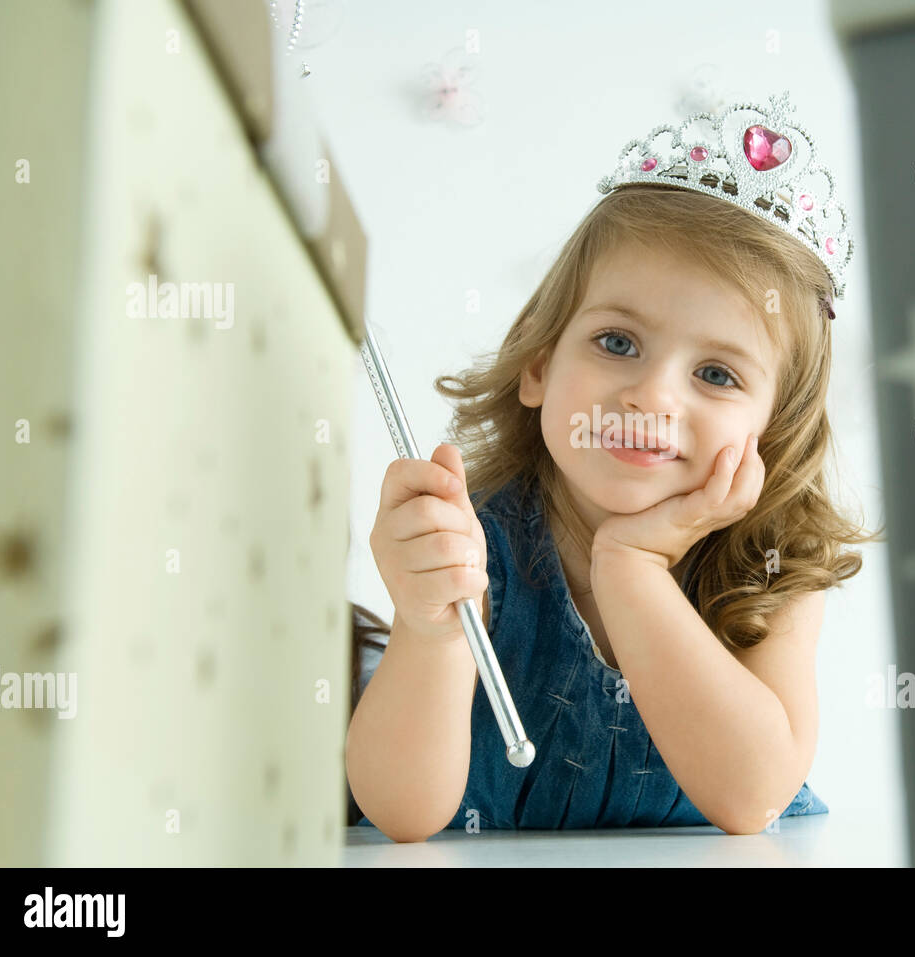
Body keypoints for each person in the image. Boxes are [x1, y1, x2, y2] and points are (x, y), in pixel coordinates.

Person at [346, 91, 884, 839]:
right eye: (618, 343)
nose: (653, 395)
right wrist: (429, 626)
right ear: (539, 361)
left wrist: (630, 568)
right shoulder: (477, 546)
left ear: (774, 430)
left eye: (718, 375)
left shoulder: (774, 569)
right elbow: (399, 811)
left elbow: (752, 797)